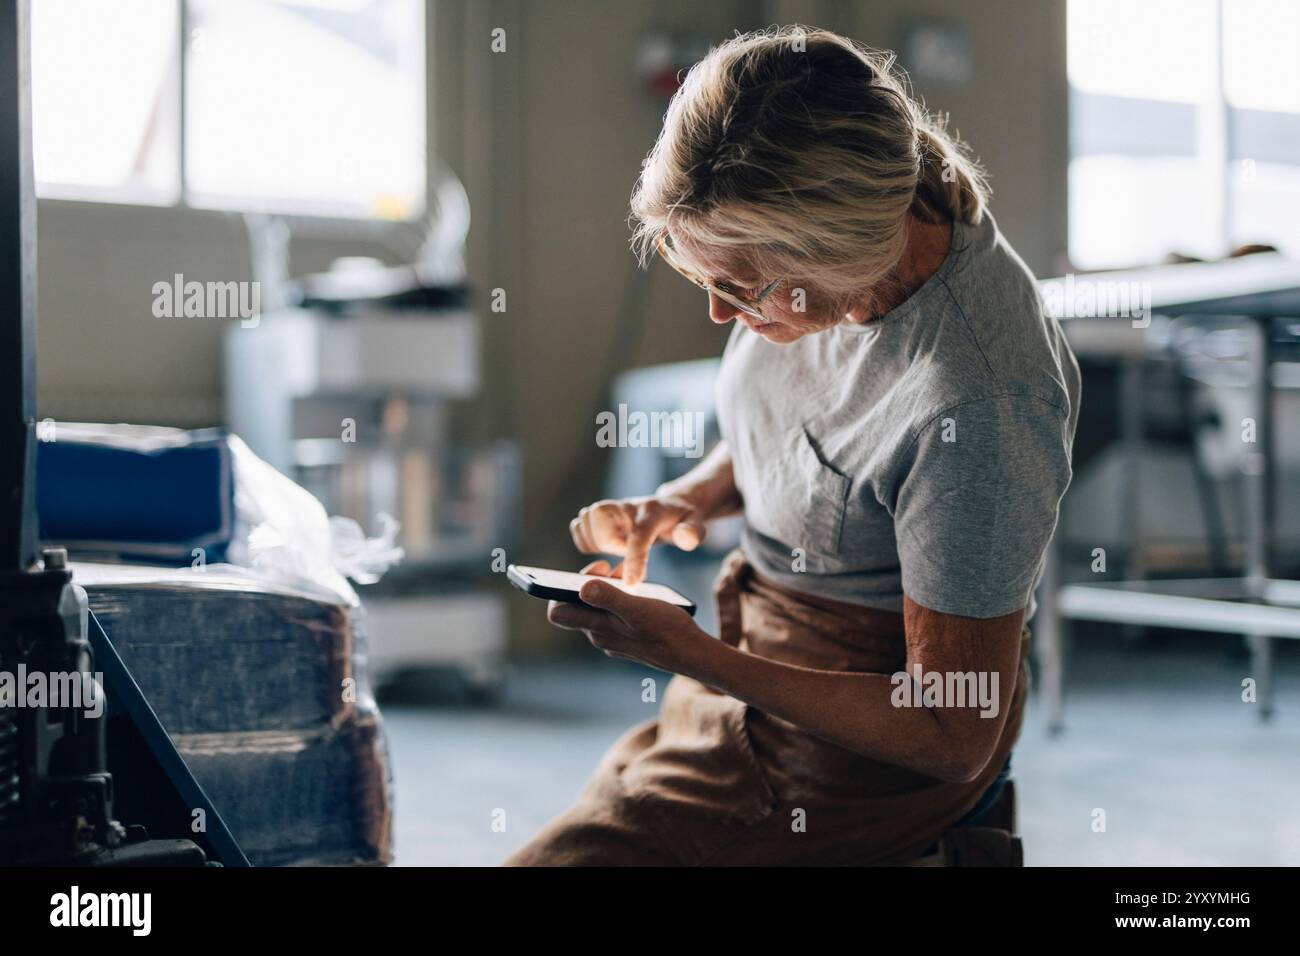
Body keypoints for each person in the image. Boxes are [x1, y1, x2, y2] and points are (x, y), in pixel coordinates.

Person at [506, 26, 1080, 866]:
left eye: (737, 288)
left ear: (839, 252)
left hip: (851, 762)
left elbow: (953, 730)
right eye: (703, 280)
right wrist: (690, 498)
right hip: (738, 680)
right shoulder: (830, 277)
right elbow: (820, 437)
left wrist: (690, 653)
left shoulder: (981, 400)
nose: (716, 315)